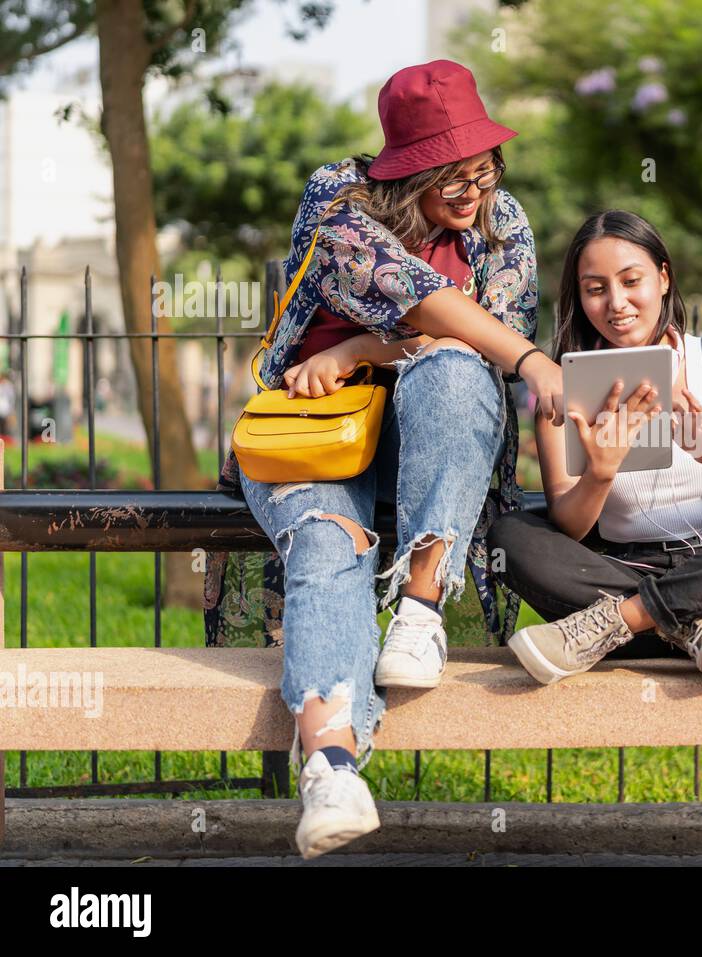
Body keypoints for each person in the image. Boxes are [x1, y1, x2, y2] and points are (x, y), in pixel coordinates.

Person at [203, 60, 563, 859]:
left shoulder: (504, 221)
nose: (472, 192)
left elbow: (471, 340)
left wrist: (367, 344)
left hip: (434, 444)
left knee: (455, 367)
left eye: (482, 169)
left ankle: (422, 610)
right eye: (451, 176)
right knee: (328, 540)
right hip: (316, 431)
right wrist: (531, 360)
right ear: (408, 170)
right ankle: (330, 766)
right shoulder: (339, 196)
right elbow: (418, 294)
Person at [488, 210, 702, 686]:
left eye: (630, 281)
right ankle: (688, 629)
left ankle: (629, 619)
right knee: (511, 536)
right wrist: (600, 471)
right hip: (620, 570)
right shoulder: (563, 389)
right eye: (595, 289)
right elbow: (570, 530)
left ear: (663, 278)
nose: (616, 303)